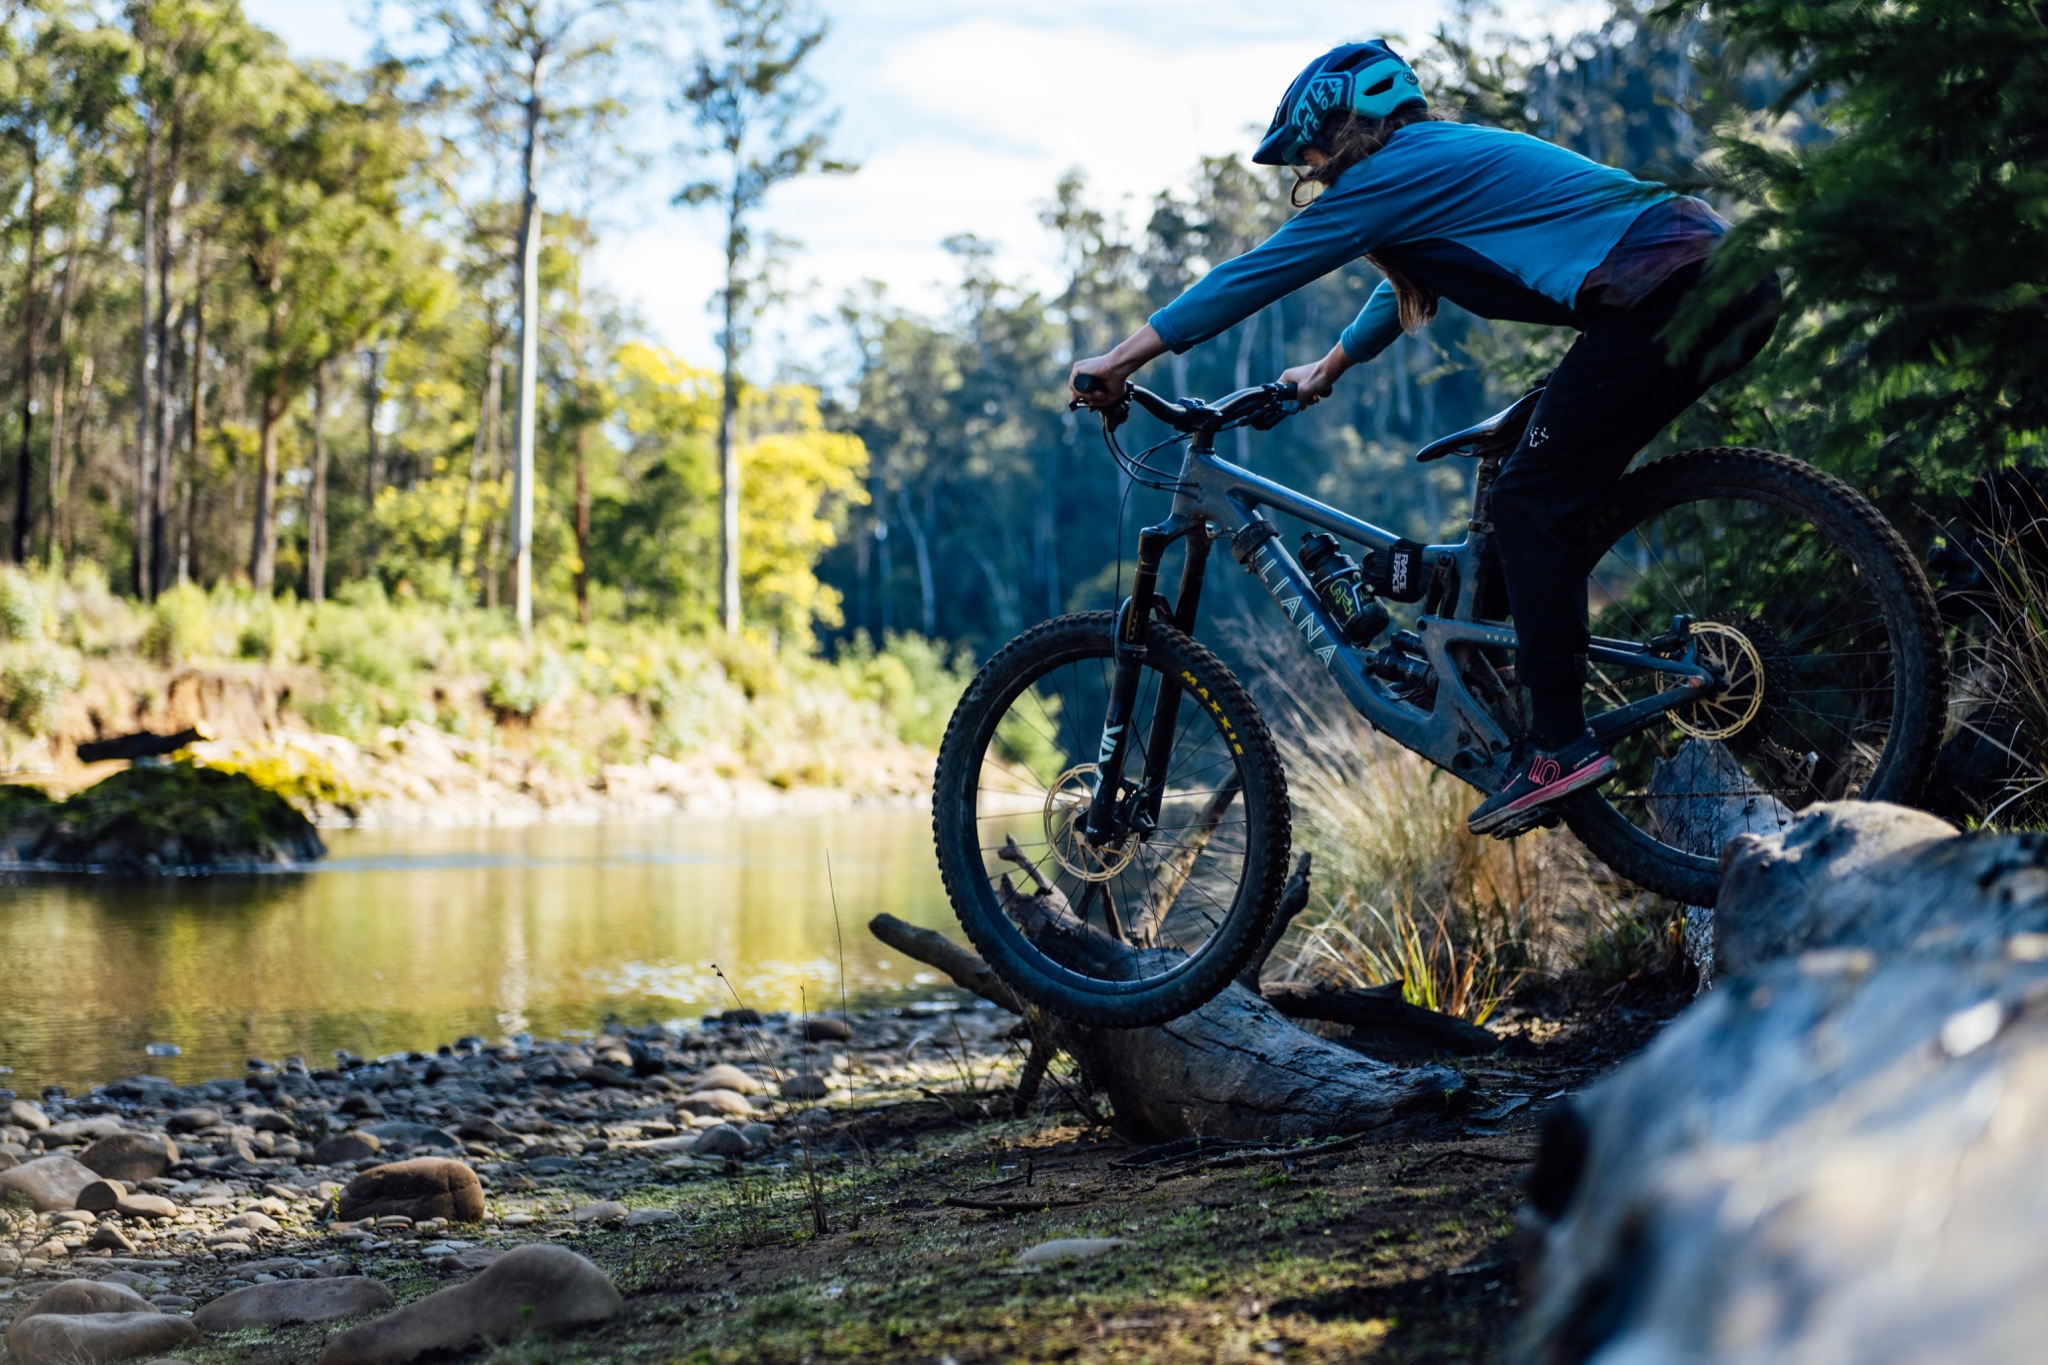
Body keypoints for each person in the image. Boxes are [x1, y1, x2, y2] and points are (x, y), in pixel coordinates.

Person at [1069, 39, 1781, 836]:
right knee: (1531, 479)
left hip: (1670, 285)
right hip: (1717, 273)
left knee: (1530, 502)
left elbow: (1256, 273)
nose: (1314, 174)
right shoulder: (1431, 162)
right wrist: (1329, 364)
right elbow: (1403, 290)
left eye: (1310, 155)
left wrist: (1121, 357)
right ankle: (1511, 673)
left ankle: (1558, 744)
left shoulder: (1391, 170)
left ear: (1340, 127)